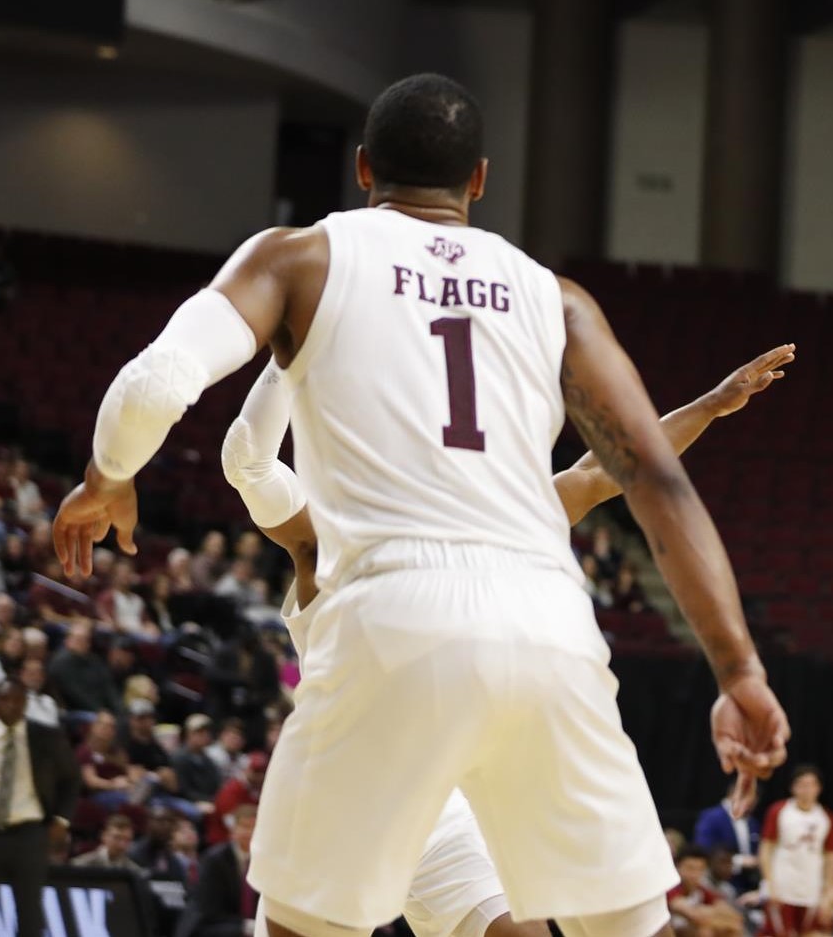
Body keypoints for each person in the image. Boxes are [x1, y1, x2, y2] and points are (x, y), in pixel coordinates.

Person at [52, 73, 793, 937]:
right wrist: (739, 670)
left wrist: (108, 476)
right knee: (630, 929)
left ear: (362, 168)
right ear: (479, 179)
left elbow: (158, 381)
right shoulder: (558, 298)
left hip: (393, 617)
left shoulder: (300, 257)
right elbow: (655, 485)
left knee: (302, 926)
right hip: (547, 620)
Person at [223, 333, 794, 937]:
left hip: (445, 794)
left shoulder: (487, 521)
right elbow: (248, 461)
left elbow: (603, 471)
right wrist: (288, 359)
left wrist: (708, 405)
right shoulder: (329, 536)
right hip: (347, 789)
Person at [0, 678, 81, 937]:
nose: (11, 706)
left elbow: (71, 778)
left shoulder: (46, 736)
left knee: (30, 913)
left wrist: (61, 820)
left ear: (25, 704)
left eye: (17, 700)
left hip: (30, 834)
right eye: (5, 699)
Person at [760, 766, 833, 937]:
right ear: (793, 787)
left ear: (819, 788)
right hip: (783, 887)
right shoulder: (779, 811)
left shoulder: (826, 817)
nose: (807, 789)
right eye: (802, 784)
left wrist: (828, 892)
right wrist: (769, 883)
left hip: (811, 889)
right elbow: (766, 849)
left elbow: (831, 857)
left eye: (811, 785)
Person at [181, 806, 261, 937]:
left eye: (254, 827)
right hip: (215, 926)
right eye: (244, 826)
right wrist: (244, 926)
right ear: (232, 830)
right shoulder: (214, 860)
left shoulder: (264, 861)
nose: (249, 832)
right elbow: (207, 910)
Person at [669, 848, 743, 937]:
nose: (694, 874)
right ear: (677, 867)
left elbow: (734, 916)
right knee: (705, 930)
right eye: (690, 868)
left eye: (700, 869)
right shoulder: (671, 889)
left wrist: (705, 912)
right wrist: (714, 915)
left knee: (733, 928)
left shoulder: (701, 890)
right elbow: (693, 914)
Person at [76, 811, 147, 873]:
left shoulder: (135, 871)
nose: (122, 845)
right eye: (117, 838)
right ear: (104, 836)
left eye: (127, 840)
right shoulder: (81, 864)